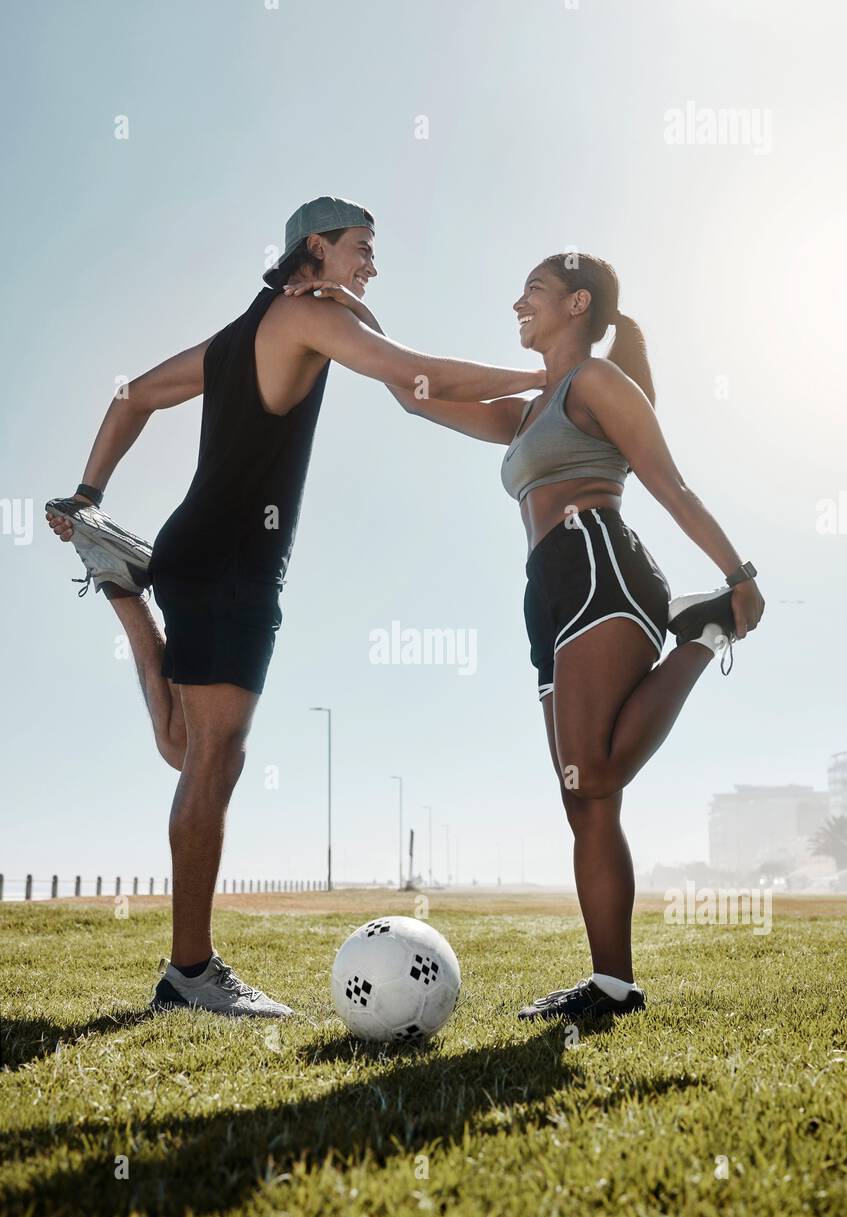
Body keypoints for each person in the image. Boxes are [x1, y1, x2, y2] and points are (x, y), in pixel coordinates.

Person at [45, 195, 544, 1019]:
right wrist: (540, 375)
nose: (371, 263)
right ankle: (190, 974)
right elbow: (415, 377)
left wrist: (88, 492)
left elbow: (132, 393)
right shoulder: (309, 313)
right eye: (362, 248)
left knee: (196, 751)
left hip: (196, 553)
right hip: (237, 564)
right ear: (316, 247)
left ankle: (126, 590)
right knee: (210, 758)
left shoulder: (244, 332)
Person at [293, 251, 765, 1024]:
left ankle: (701, 632)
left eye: (535, 292)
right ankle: (611, 986)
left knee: (594, 777)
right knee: (582, 800)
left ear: (577, 304)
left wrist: (735, 572)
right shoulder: (530, 407)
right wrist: (358, 330)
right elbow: (416, 399)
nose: (518, 301)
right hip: (545, 587)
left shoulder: (598, 384)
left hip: (598, 564)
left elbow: (667, 482)